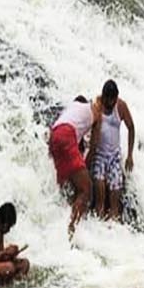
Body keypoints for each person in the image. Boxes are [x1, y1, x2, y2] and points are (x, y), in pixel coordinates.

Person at [49, 95, 98, 234]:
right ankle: (72, 229)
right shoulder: (85, 116)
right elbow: (89, 151)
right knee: (86, 188)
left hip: (55, 140)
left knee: (69, 191)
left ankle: (61, 225)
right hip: (66, 140)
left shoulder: (67, 116)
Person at [91, 79, 136, 222]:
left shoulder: (121, 106)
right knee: (100, 194)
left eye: (113, 101)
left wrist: (130, 155)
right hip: (99, 154)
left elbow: (131, 127)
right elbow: (91, 132)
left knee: (115, 193)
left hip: (115, 156)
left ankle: (114, 227)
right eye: (107, 101)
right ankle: (99, 223)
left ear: (116, 98)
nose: (110, 104)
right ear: (103, 97)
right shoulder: (97, 106)